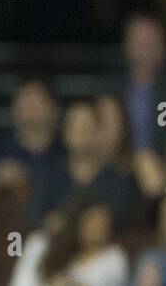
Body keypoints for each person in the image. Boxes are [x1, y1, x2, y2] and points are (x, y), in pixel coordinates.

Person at [26, 97, 140, 234]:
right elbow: (34, 217)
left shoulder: (118, 178)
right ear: (65, 132)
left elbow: (118, 220)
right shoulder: (48, 174)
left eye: (86, 126)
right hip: (55, 245)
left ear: (98, 132)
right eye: (74, 126)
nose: (79, 132)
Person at [97, 14, 166, 160]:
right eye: (139, 41)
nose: (145, 48)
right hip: (118, 167)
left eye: (151, 41)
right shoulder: (110, 88)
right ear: (126, 45)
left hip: (162, 166)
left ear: (164, 47)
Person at [6, 195, 129, 286]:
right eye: (91, 220)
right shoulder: (41, 244)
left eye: (104, 222)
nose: (99, 227)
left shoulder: (114, 257)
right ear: (76, 222)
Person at [0, 77, 65, 201]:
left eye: (37, 103)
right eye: (24, 103)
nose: (31, 110)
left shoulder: (66, 152)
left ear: (55, 110)